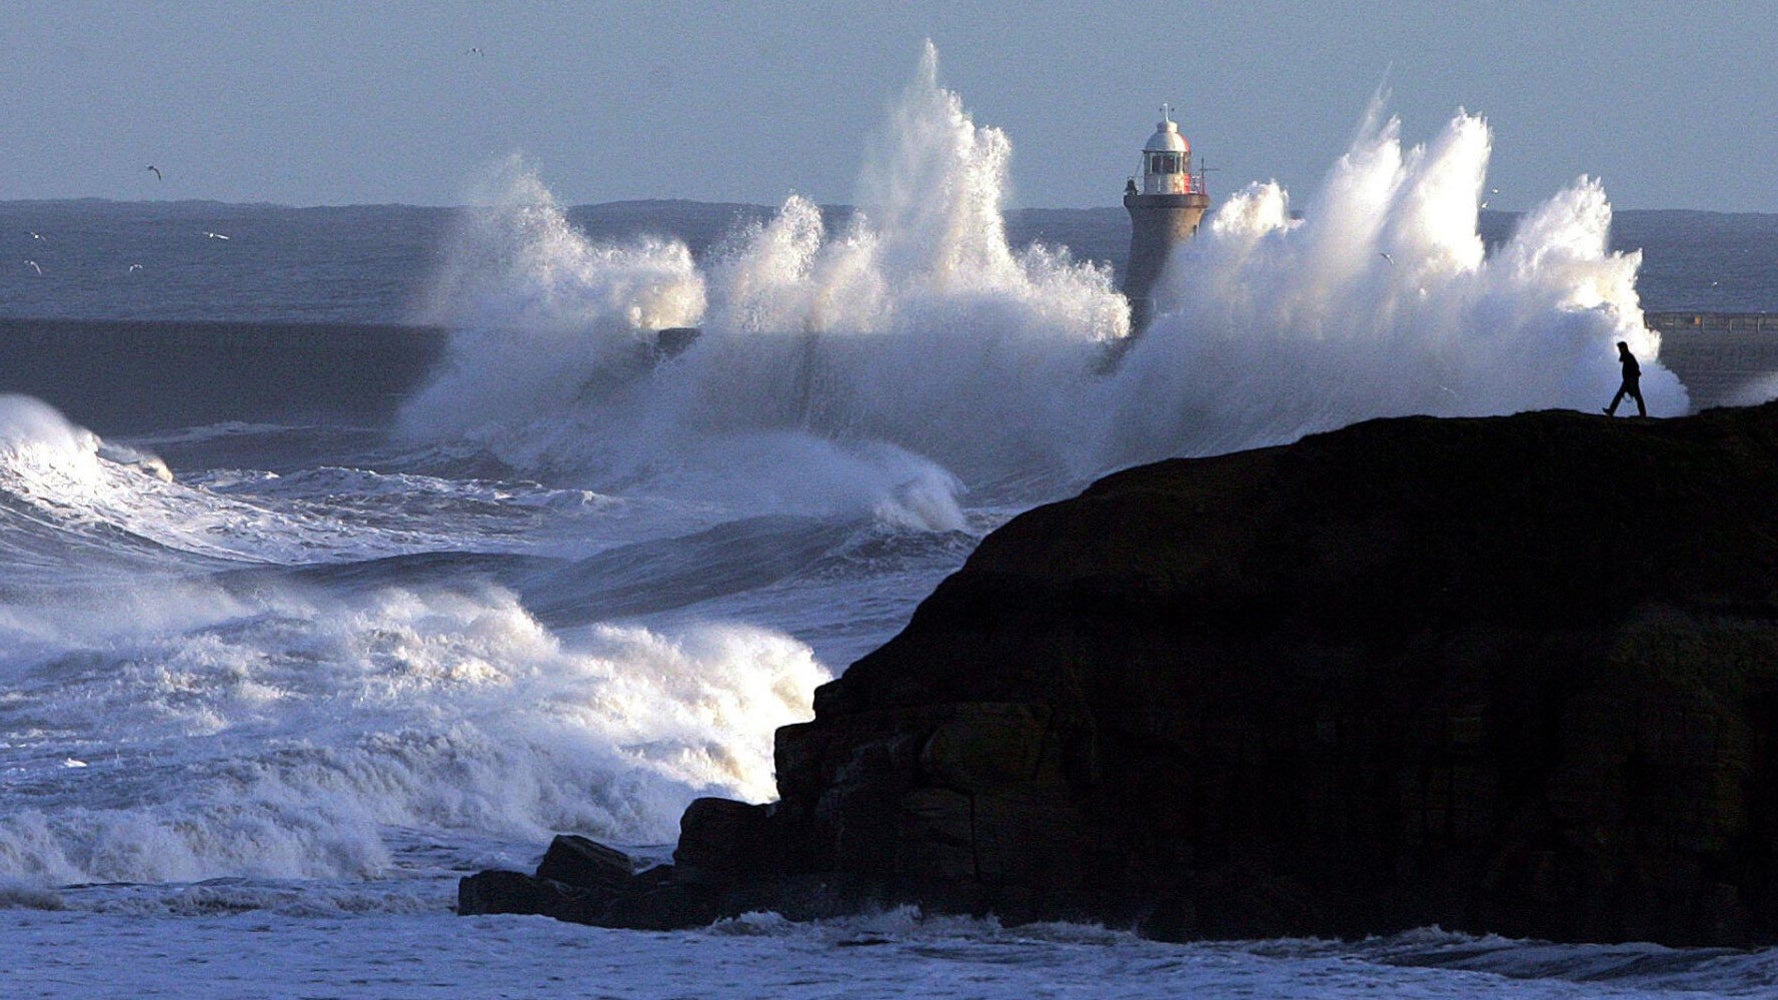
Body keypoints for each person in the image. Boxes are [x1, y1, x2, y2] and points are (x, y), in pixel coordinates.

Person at [1603, 341, 1646, 417]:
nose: (1619, 350)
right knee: (1622, 395)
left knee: (1637, 396)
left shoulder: (1629, 357)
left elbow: (1635, 367)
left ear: (1624, 348)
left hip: (1631, 380)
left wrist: (1631, 378)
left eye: (1620, 348)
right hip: (1628, 380)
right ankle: (1611, 411)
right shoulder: (1627, 356)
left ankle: (1643, 414)